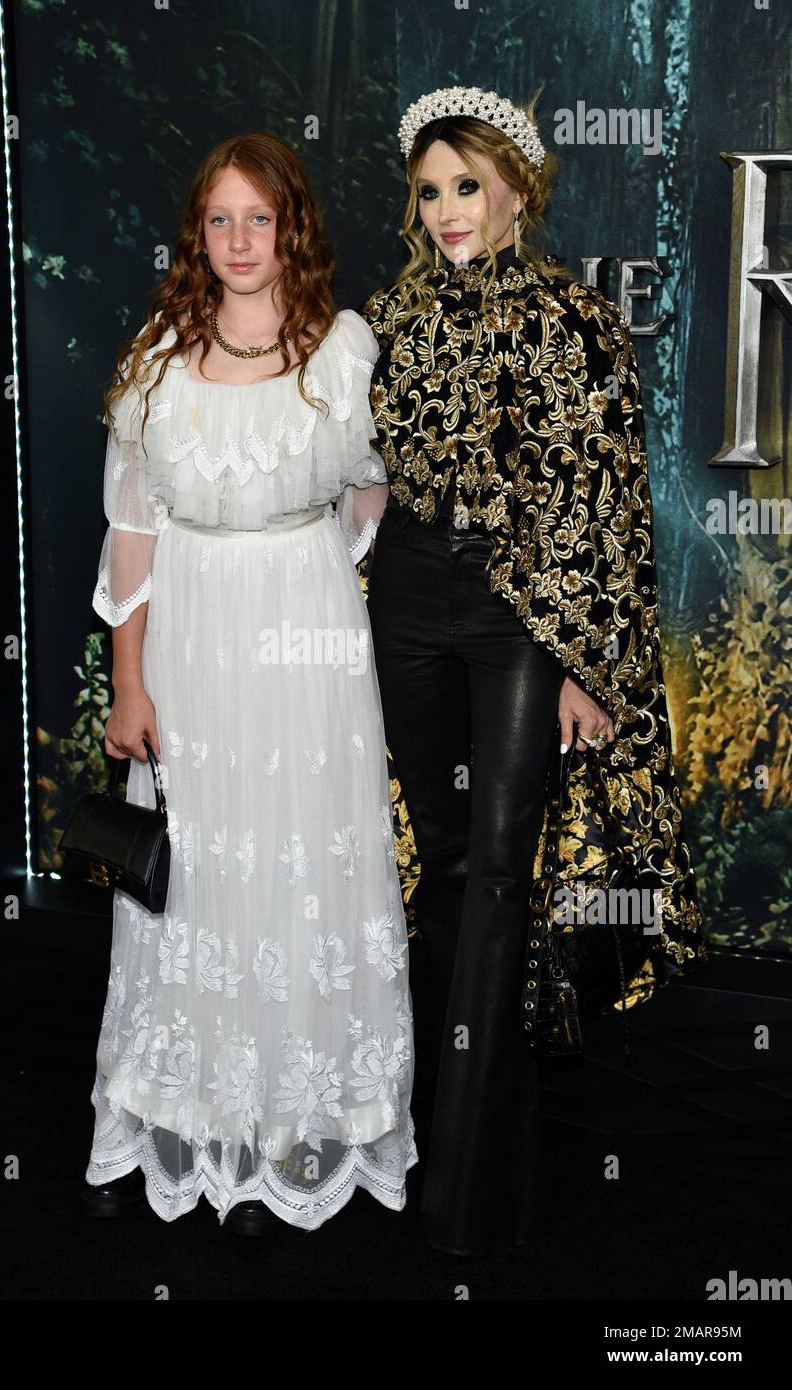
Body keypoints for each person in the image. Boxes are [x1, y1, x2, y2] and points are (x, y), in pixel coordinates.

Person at [360, 86, 705, 1256]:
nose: (450, 210)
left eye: (469, 185)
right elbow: (361, 477)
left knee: (504, 872)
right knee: (447, 869)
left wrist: (584, 662)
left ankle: (466, 1201)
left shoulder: (579, 321)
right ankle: (455, 1151)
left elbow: (607, 503)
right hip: (408, 592)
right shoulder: (390, 319)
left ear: (517, 187)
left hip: (524, 614)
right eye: (431, 191)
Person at [80, 132, 416, 1235]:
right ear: (199, 233)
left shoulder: (344, 351)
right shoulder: (156, 362)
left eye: (258, 220)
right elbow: (131, 534)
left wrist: (304, 574)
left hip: (308, 644)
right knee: (205, 874)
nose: (238, 241)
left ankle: (297, 1123)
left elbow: (367, 496)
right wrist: (130, 687)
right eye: (219, 220)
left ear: (292, 230)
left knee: (306, 865)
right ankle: (194, 1113)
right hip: (191, 643)